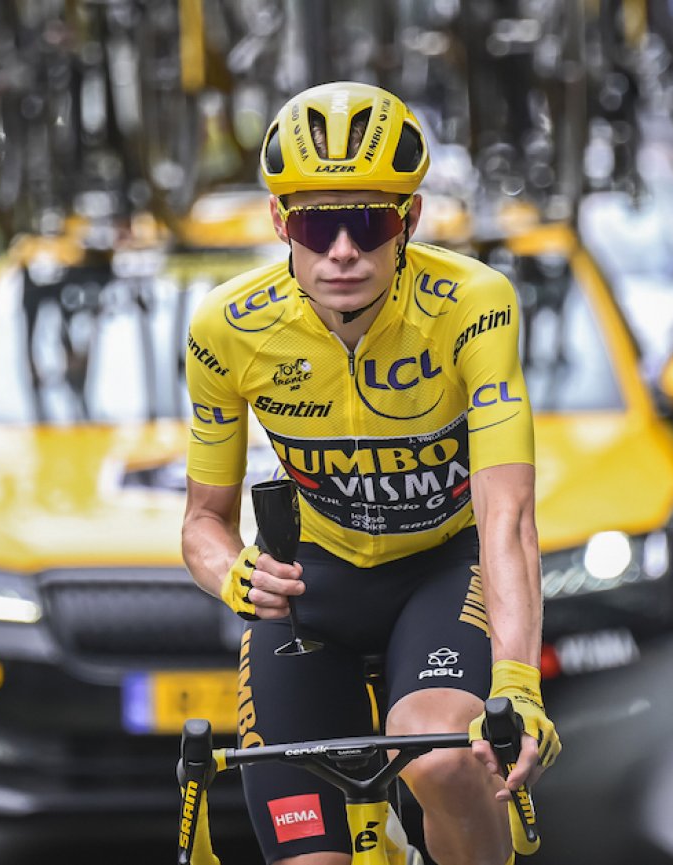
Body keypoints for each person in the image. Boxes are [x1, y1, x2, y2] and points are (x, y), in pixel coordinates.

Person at [181, 81, 560, 865]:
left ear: (410, 221)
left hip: (441, 570)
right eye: (319, 225)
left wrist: (517, 682)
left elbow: (507, 518)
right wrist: (232, 574)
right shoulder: (225, 329)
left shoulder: (473, 305)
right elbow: (202, 523)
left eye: (369, 221)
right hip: (309, 591)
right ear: (281, 222)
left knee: (442, 751)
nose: (343, 251)